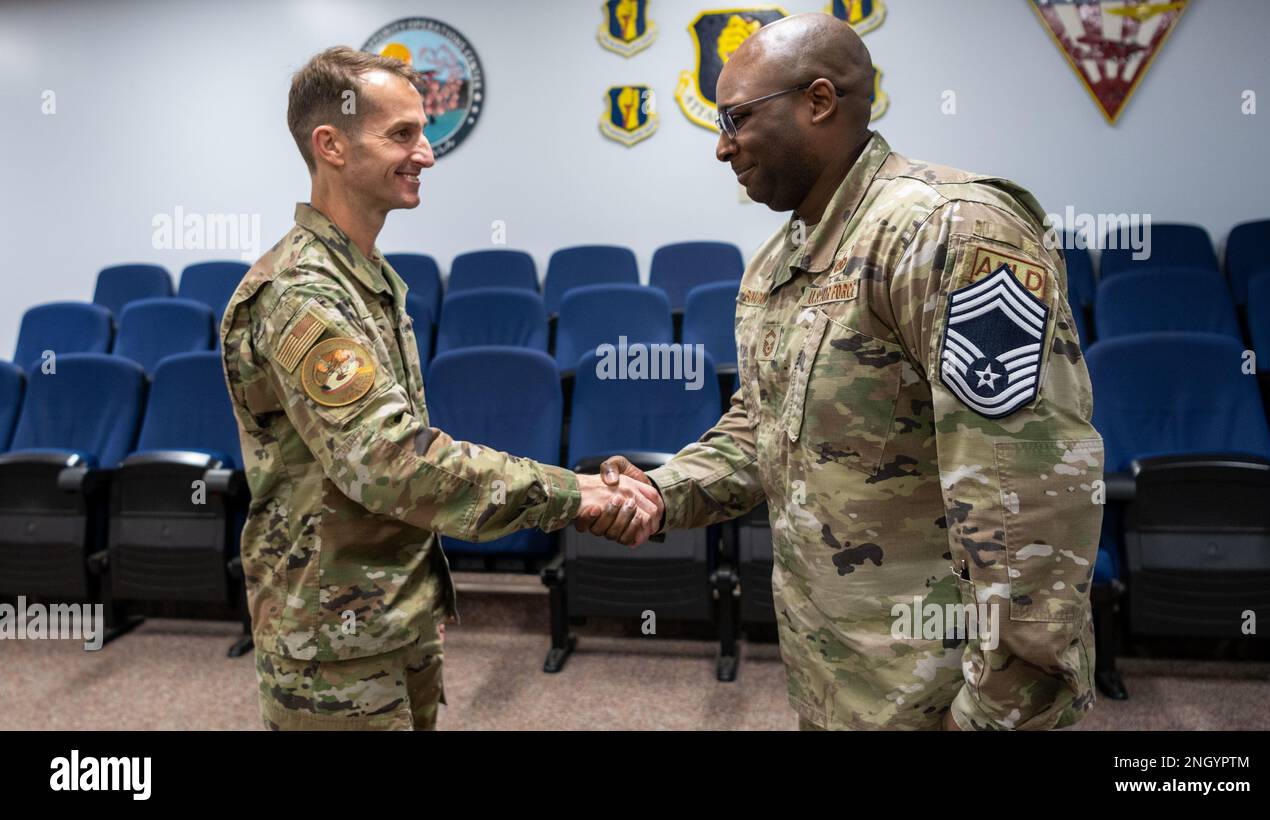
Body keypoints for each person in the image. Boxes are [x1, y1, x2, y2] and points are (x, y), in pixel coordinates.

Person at [581, 13, 1104, 730]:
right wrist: (662, 493)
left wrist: (996, 714)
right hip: (838, 677)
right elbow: (760, 430)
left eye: (734, 118)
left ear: (819, 101)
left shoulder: (950, 231)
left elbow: (1034, 496)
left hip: (946, 692)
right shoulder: (780, 260)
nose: (721, 147)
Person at [220, 46, 660, 731]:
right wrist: (577, 494)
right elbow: (390, 463)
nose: (425, 154)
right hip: (332, 646)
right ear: (330, 144)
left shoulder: (366, 277)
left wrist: (418, 597)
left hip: (389, 617)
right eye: (401, 135)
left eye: (421, 133)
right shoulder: (301, 294)